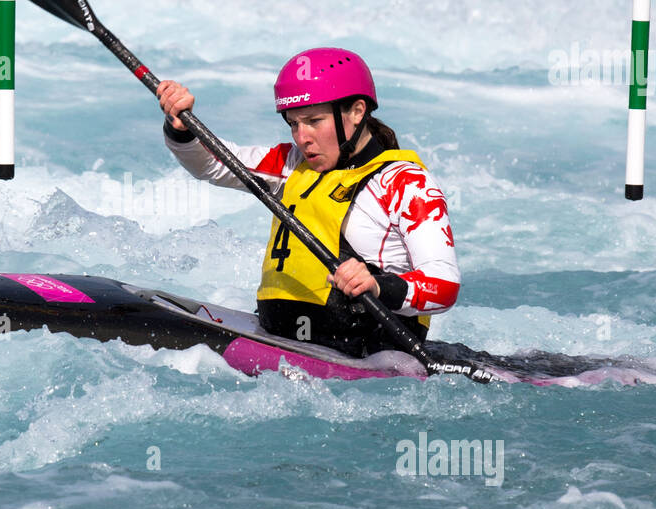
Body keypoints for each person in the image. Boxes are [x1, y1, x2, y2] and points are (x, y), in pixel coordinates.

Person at [155, 47, 460, 359]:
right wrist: (182, 128)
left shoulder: (406, 184)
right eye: (293, 123)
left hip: (370, 355)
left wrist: (379, 286)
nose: (302, 137)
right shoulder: (291, 164)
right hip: (284, 337)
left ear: (356, 111)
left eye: (314, 120)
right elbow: (214, 163)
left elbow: (444, 284)